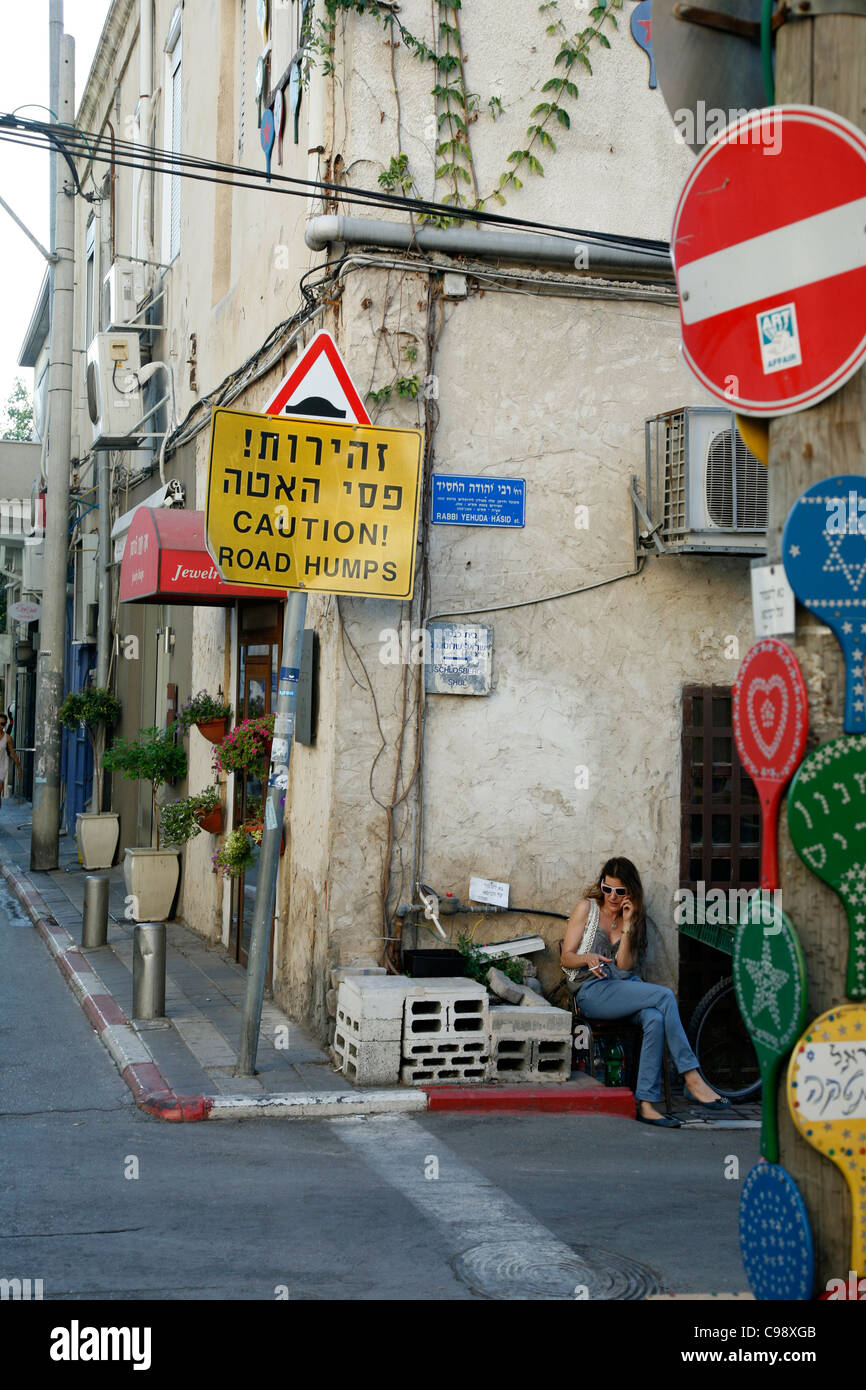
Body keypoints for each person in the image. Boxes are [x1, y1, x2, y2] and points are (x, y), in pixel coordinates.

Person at [561, 856, 731, 1128]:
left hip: (623, 989)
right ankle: (691, 1076)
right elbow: (566, 958)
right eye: (607, 889)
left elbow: (625, 966)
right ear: (601, 885)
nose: (612, 897)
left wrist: (628, 924)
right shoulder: (587, 909)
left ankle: (647, 1104)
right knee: (664, 996)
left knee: (654, 1018)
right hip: (591, 992)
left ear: (630, 892)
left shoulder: (634, 919)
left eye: (620, 891)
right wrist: (587, 957)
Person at [0, 714, 23, 806]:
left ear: (5, 725)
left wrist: (19, 768)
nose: (0, 726)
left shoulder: (8, 738)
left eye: (2, 724)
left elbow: (13, 754)